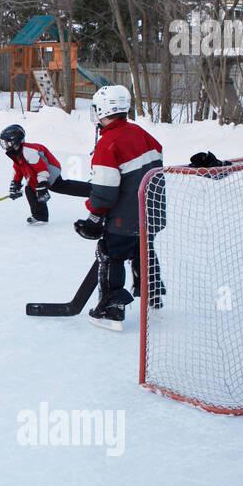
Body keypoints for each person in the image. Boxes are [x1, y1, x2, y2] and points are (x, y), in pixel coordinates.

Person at [73, 85, 163, 330]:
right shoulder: (142, 133)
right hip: (151, 213)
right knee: (141, 249)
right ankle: (152, 293)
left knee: (111, 255)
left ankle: (113, 310)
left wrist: (93, 215)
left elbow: (104, 192)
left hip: (125, 217)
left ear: (103, 109)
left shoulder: (109, 143)